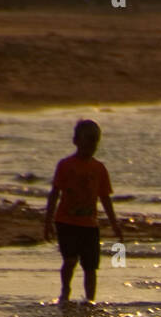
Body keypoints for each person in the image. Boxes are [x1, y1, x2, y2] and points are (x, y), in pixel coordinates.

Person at [44, 120, 122, 304]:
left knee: (91, 267)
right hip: (66, 222)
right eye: (87, 141)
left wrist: (114, 224)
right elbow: (54, 194)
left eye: (95, 142)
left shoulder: (99, 169)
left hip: (90, 225)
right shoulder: (65, 165)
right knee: (70, 260)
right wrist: (48, 222)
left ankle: (90, 301)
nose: (91, 146)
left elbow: (105, 199)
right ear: (76, 141)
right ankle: (65, 291)